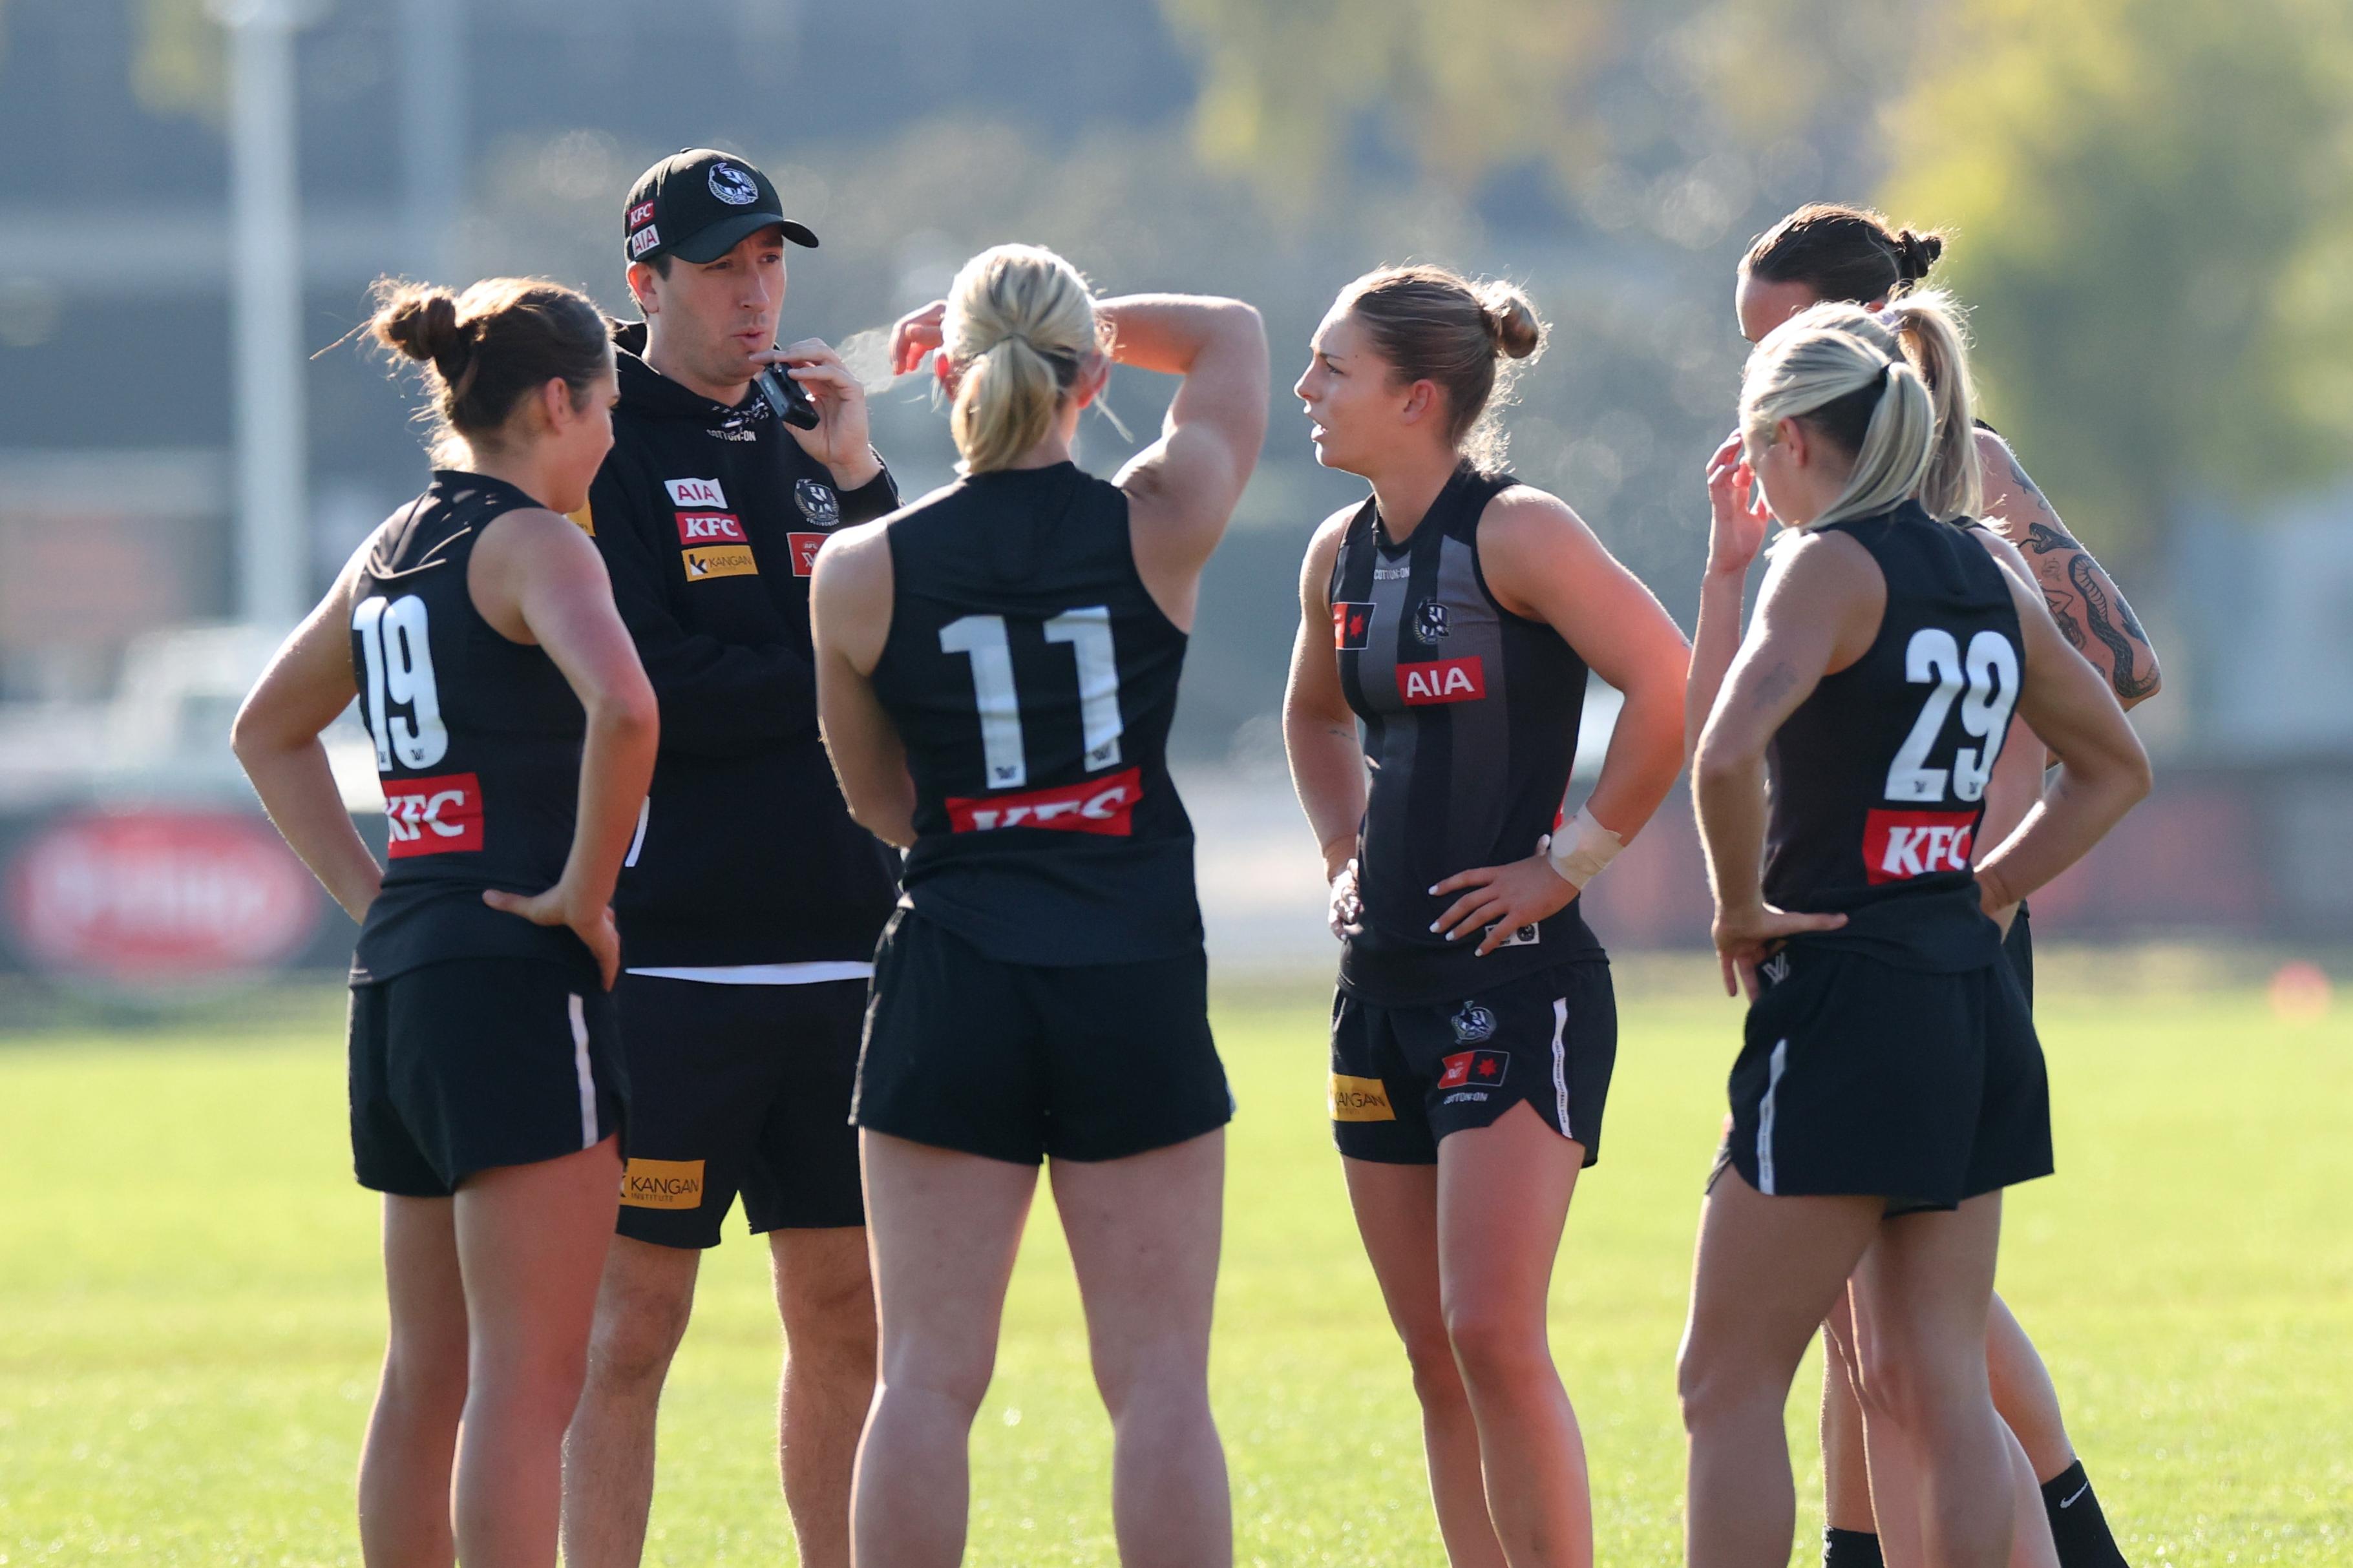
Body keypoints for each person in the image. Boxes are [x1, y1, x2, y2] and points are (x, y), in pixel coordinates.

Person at [810, 246, 1266, 1568]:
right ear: (1093, 378)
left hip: (957, 969)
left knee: (923, 1378)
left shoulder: (860, 565)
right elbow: (1233, 330)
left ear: (946, 377)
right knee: (1161, 1384)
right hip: (1131, 970)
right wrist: (1070, 325)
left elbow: (878, 801)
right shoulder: (1157, 518)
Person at [1678, 294, 2150, 1568]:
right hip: (1964, 994)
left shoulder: (1826, 564)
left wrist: (1736, 903)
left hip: (1845, 995)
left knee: (1723, 1379)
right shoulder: (1989, 567)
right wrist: (1985, 888)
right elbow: (2113, 765)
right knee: (1932, 1380)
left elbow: (1722, 752)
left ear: (1788, 438)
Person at [231, 276, 659, 1567]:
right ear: (555, 401)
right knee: (531, 1380)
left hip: (406, 978)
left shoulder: (391, 544)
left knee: (428, 1373)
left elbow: (266, 731)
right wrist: (583, 893)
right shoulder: (538, 544)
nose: (612, 439)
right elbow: (628, 708)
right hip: (513, 974)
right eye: (608, 409)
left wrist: (382, 900)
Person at [1283, 266, 1692, 1568]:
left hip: (1515, 990)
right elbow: (1314, 717)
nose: (1305, 388)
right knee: (1433, 1356)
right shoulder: (1338, 552)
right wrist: (1342, 849)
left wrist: (1569, 863)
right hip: (1376, 997)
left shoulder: (1519, 532)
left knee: (1493, 1334)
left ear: (1416, 397)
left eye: (1332, 368)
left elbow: (1668, 684)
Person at [558, 149, 903, 1568]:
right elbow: (658, 688)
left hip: (850, 946)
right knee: (630, 1325)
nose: (756, 294)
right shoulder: (596, 440)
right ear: (645, 285)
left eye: (770, 262)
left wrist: (866, 477)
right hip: (675, 964)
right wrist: (835, 672)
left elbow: (913, 635)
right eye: (720, 268)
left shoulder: (811, 432)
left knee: (847, 1312)